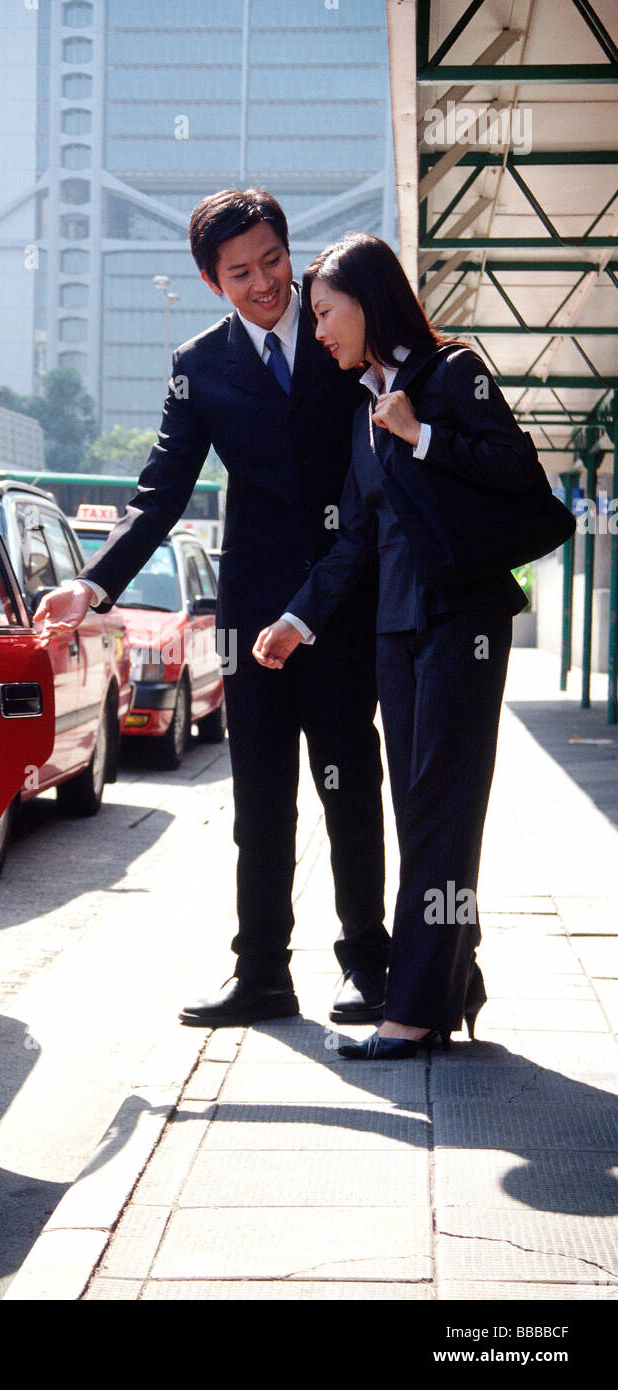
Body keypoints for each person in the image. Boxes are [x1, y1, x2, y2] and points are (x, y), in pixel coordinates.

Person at [35, 189, 389, 1028]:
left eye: (274, 261)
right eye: (241, 272)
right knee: (261, 798)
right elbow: (158, 494)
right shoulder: (199, 366)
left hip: (342, 606)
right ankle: (262, 972)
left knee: (350, 785)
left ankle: (369, 965)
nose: (265, 283)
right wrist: (91, 584)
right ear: (211, 281)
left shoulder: (348, 331)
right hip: (252, 617)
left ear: (291, 254)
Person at [254, 232, 536, 1059]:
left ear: (369, 303)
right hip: (394, 627)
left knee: (444, 810)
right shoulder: (359, 411)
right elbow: (358, 538)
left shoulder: (453, 373)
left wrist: (420, 434)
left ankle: (412, 1011)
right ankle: (457, 974)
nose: (318, 332)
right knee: (420, 817)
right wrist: (296, 619)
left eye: (327, 313)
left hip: (462, 623)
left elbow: (518, 468)